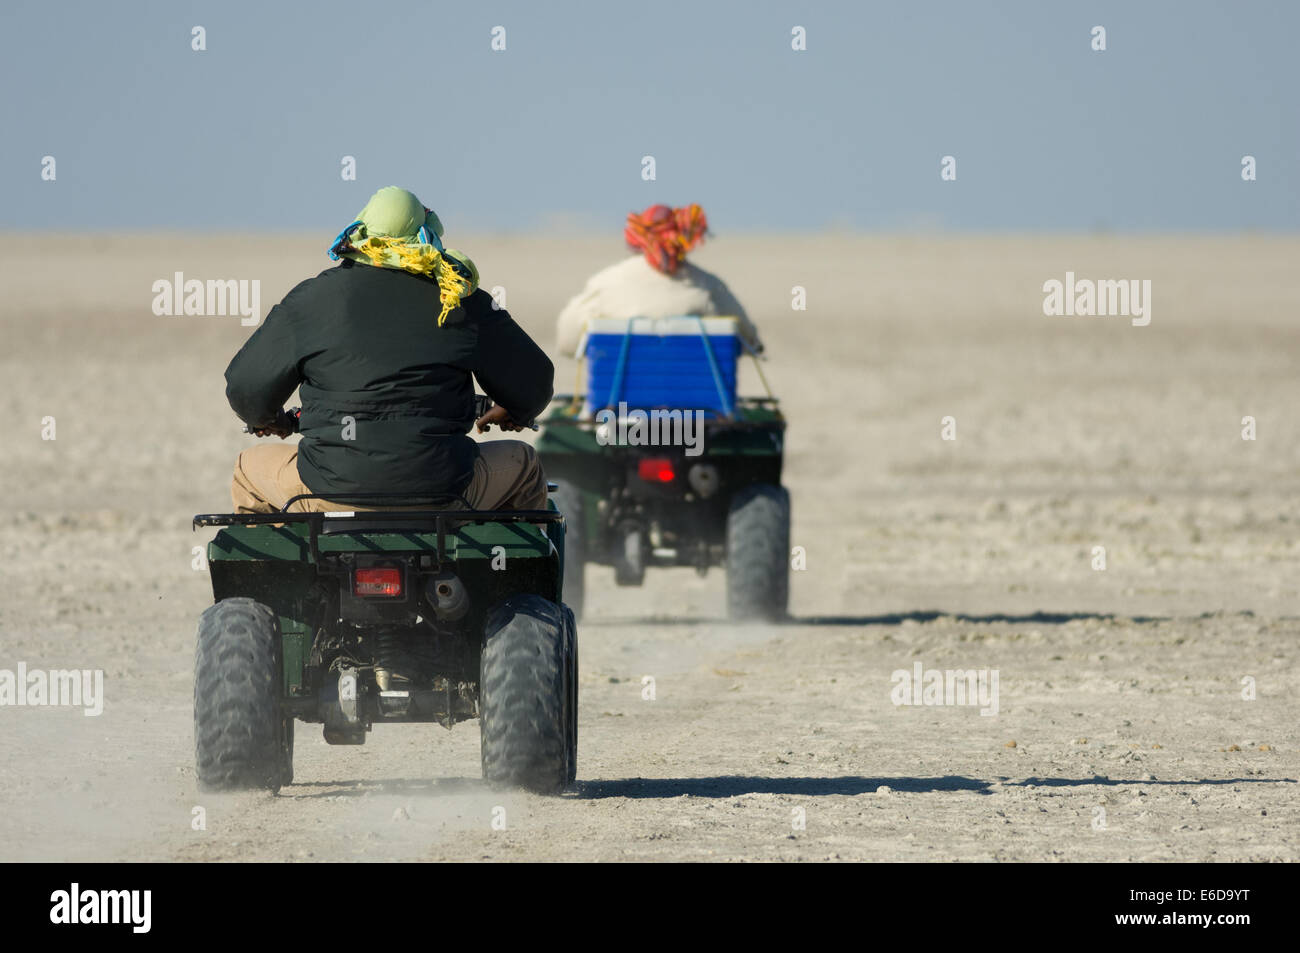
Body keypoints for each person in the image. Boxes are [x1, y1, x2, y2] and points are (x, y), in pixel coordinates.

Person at [225, 186, 554, 514]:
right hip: (446, 492)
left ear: (358, 233)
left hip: (326, 491)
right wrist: (514, 409)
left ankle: (283, 565)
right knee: (523, 464)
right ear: (427, 236)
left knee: (247, 469)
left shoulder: (311, 299)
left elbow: (245, 387)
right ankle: (497, 563)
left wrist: (271, 419)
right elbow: (535, 382)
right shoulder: (461, 299)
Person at [555, 203, 763, 357]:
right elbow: (748, 340)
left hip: (617, 404)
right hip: (700, 408)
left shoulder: (606, 283)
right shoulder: (708, 286)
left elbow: (567, 341)